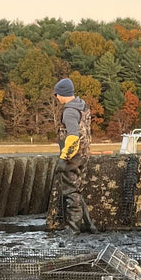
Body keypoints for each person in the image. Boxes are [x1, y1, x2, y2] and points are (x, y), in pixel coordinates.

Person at [52, 77, 95, 233]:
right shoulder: (82, 106)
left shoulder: (69, 111)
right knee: (78, 189)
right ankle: (89, 225)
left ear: (62, 94)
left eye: (56, 94)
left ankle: (73, 228)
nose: (56, 97)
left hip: (73, 156)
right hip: (84, 154)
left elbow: (73, 137)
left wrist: (64, 158)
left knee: (70, 191)